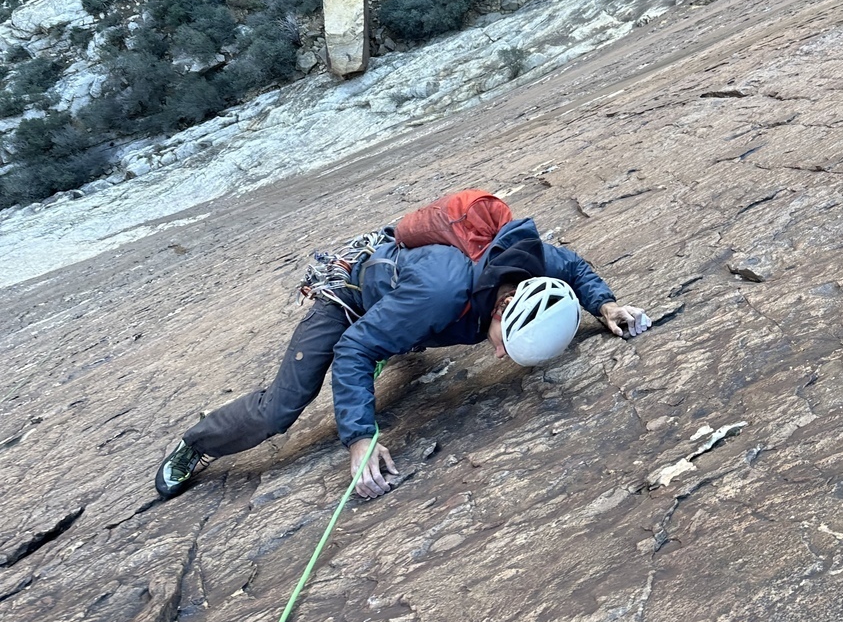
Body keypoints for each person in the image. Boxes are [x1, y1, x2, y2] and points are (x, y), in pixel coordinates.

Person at [155, 212, 650, 501]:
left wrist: (604, 306)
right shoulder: (438, 295)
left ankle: (395, 340)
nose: (500, 358)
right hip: (351, 303)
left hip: (407, 304)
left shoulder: (529, 265)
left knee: (399, 338)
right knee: (284, 406)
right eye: (507, 344)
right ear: (502, 304)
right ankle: (197, 442)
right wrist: (360, 440)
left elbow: (574, 266)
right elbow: (354, 348)